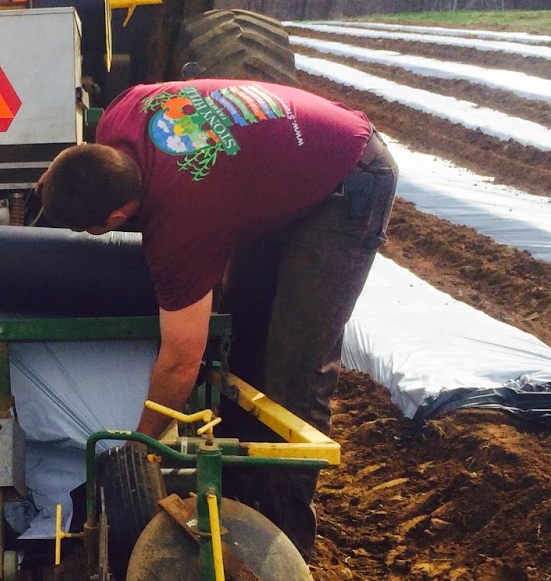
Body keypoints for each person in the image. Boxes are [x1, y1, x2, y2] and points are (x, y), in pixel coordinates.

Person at [37, 78, 397, 556]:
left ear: (118, 219)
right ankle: (239, 505)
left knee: (293, 374)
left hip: (347, 175)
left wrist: (139, 450)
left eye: (92, 229)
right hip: (284, 157)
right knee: (241, 350)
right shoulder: (120, 114)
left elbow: (181, 362)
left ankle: (283, 551)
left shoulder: (182, 216)